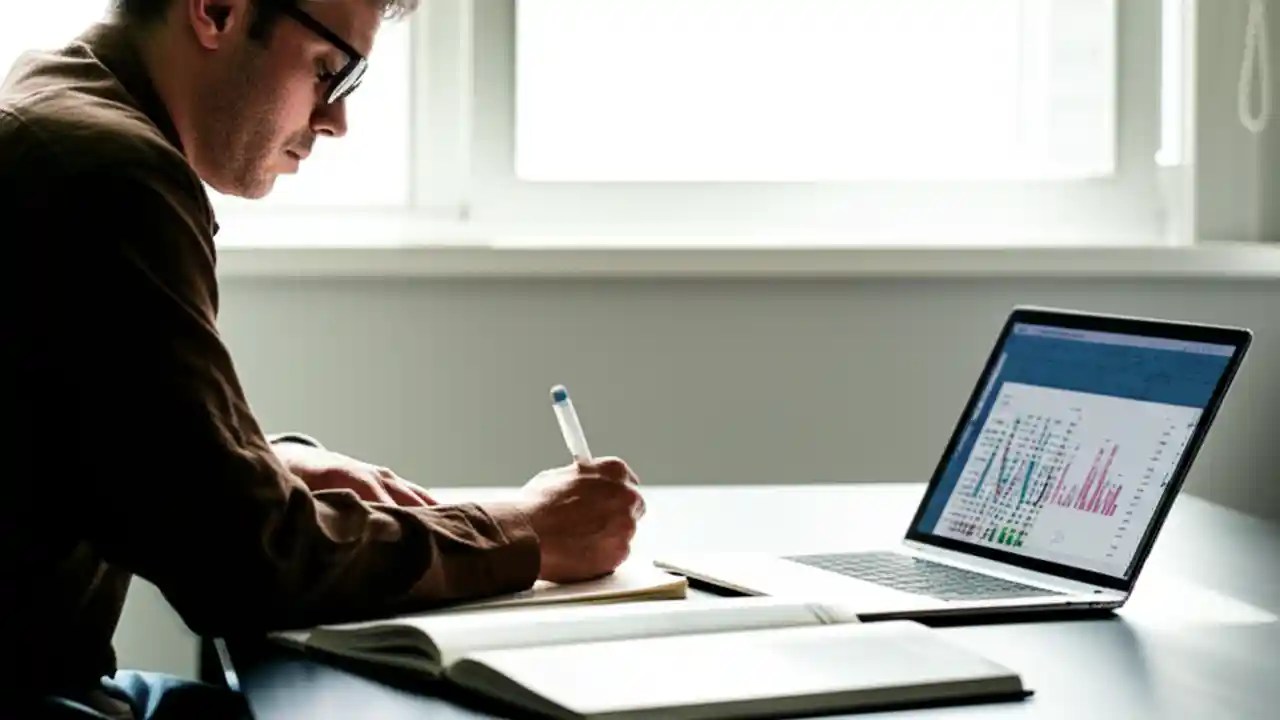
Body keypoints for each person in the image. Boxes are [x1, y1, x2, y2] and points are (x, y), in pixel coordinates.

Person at [0, 1, 646, 717]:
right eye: (328, 72)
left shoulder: (53, 99)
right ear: (215, 11)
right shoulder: (106, 178)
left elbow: (85, 446)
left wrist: (253, 463)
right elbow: (245, 561)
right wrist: (521, 531)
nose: (336, 120)